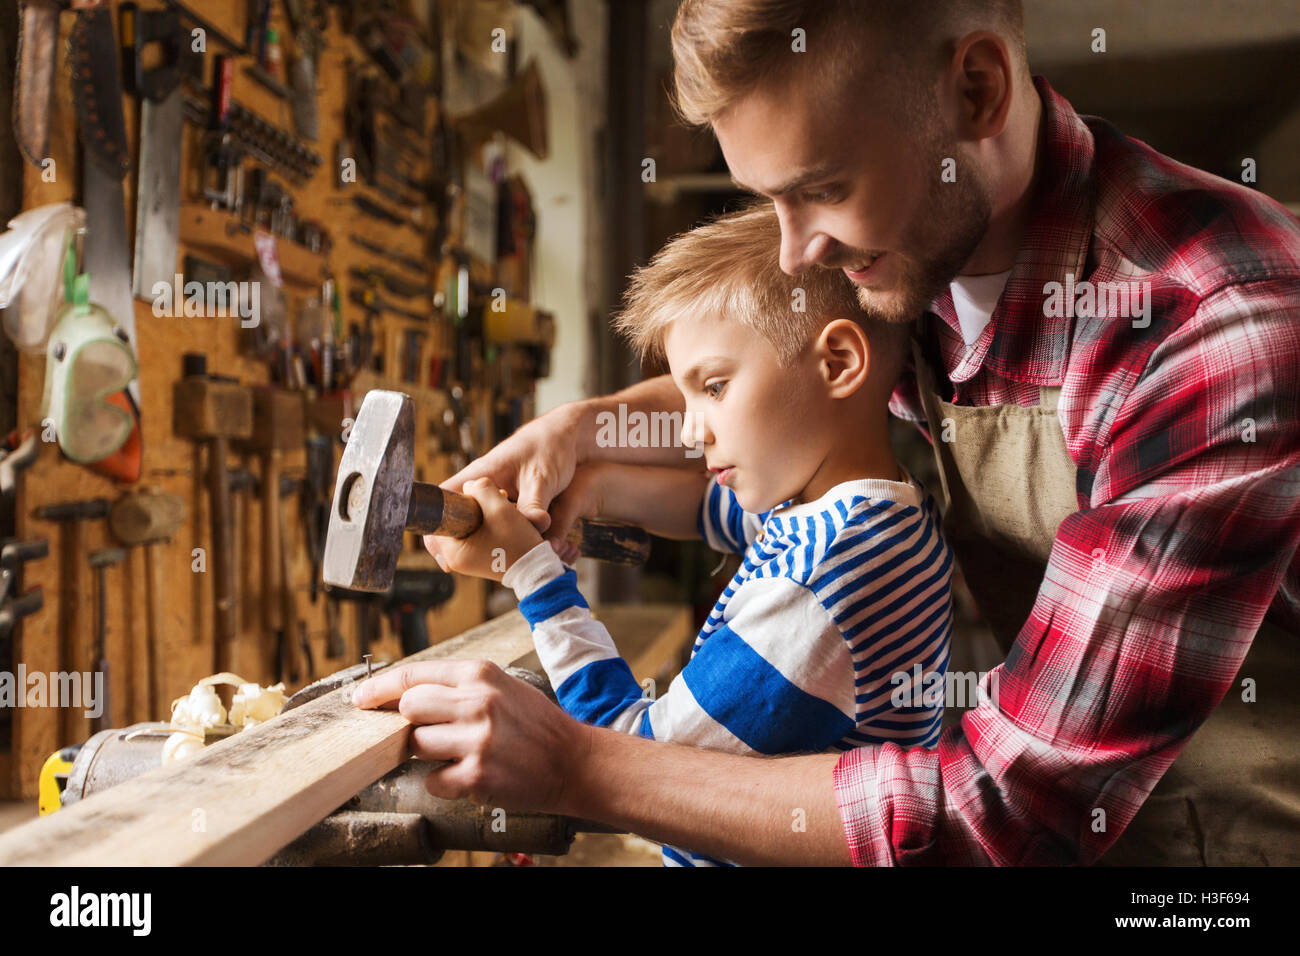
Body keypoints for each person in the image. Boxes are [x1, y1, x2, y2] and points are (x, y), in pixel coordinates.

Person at [355, 0, 1300, 865]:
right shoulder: (918, 256)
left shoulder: (1206, 327)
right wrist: (584, 434)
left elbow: (1004, 809)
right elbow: (785, 398)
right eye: (768, 197)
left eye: (822, 188)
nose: (794, 251)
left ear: (976, 90)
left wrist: (580, 768)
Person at [412, 203, 953, 866]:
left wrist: (530, 573)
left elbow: (631, 755)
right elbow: (706, 504)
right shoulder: (870, 515)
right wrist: (592, 488)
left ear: (838, 362)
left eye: (715, 386)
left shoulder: (822, 579)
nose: (690, 433)